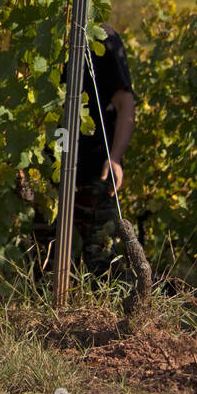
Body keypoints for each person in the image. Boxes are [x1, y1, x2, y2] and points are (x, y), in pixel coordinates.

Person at [64, 22, 137, 278]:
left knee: (102, 263)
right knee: (46, 261)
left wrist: (115, 157)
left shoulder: (104, 39)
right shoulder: (46, 34)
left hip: (97, 168)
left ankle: (123, 313)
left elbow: (125, 104)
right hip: (49, 172)